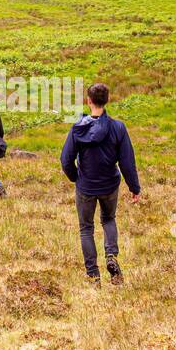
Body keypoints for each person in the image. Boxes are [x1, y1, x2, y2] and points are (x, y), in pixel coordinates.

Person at [60, 82, 140, 285]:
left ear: (88, 101)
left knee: (86, 228)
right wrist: (134, 187)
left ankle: (93, 275)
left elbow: (65, 159)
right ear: (107, 100)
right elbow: (127, 161)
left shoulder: (78, 128)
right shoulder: (118, 127)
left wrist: (75, 177)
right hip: (109, 185)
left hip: (85, 186)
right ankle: (111, 256)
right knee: (108, 220)